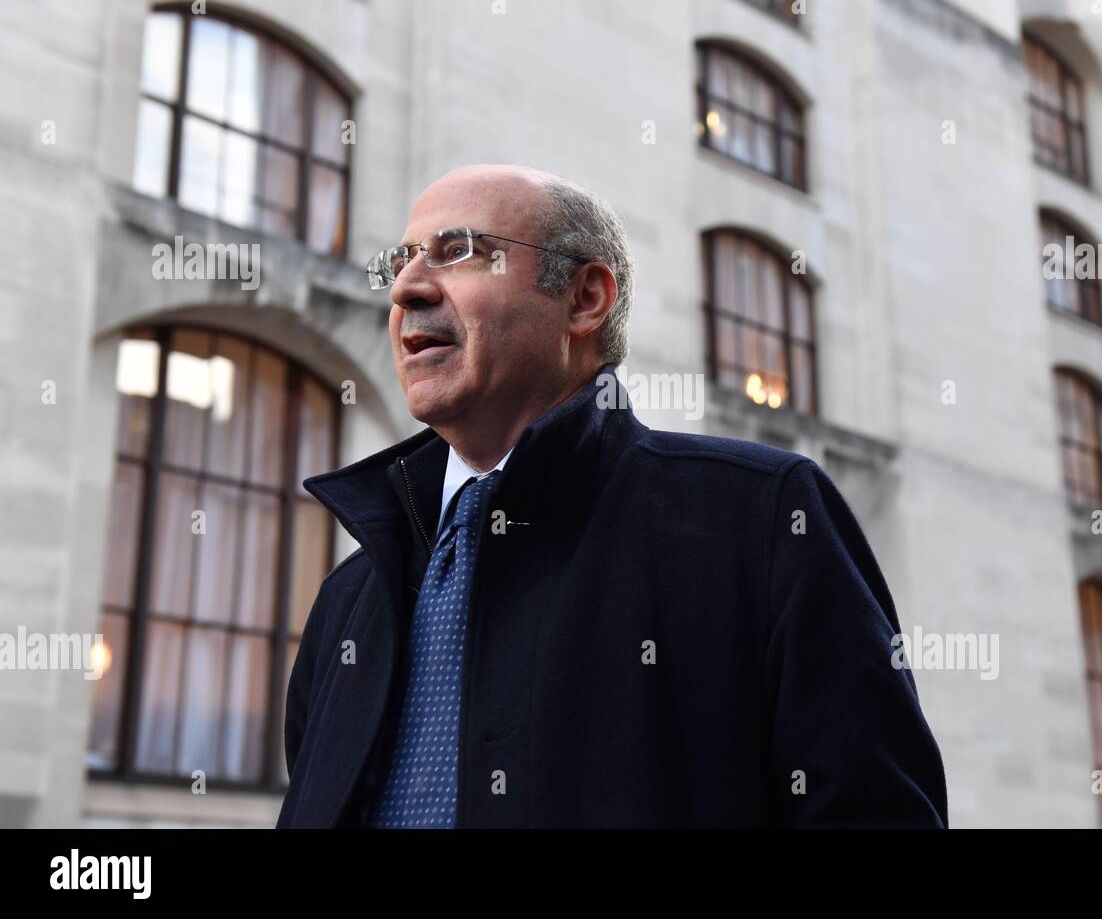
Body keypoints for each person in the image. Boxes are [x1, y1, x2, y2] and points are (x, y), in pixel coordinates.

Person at [276, 164, 947, 828]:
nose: (406, 288)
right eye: (401, 260)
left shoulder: (764, 521)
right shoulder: (348, 600)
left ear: (584, 298)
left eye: (459, 251)